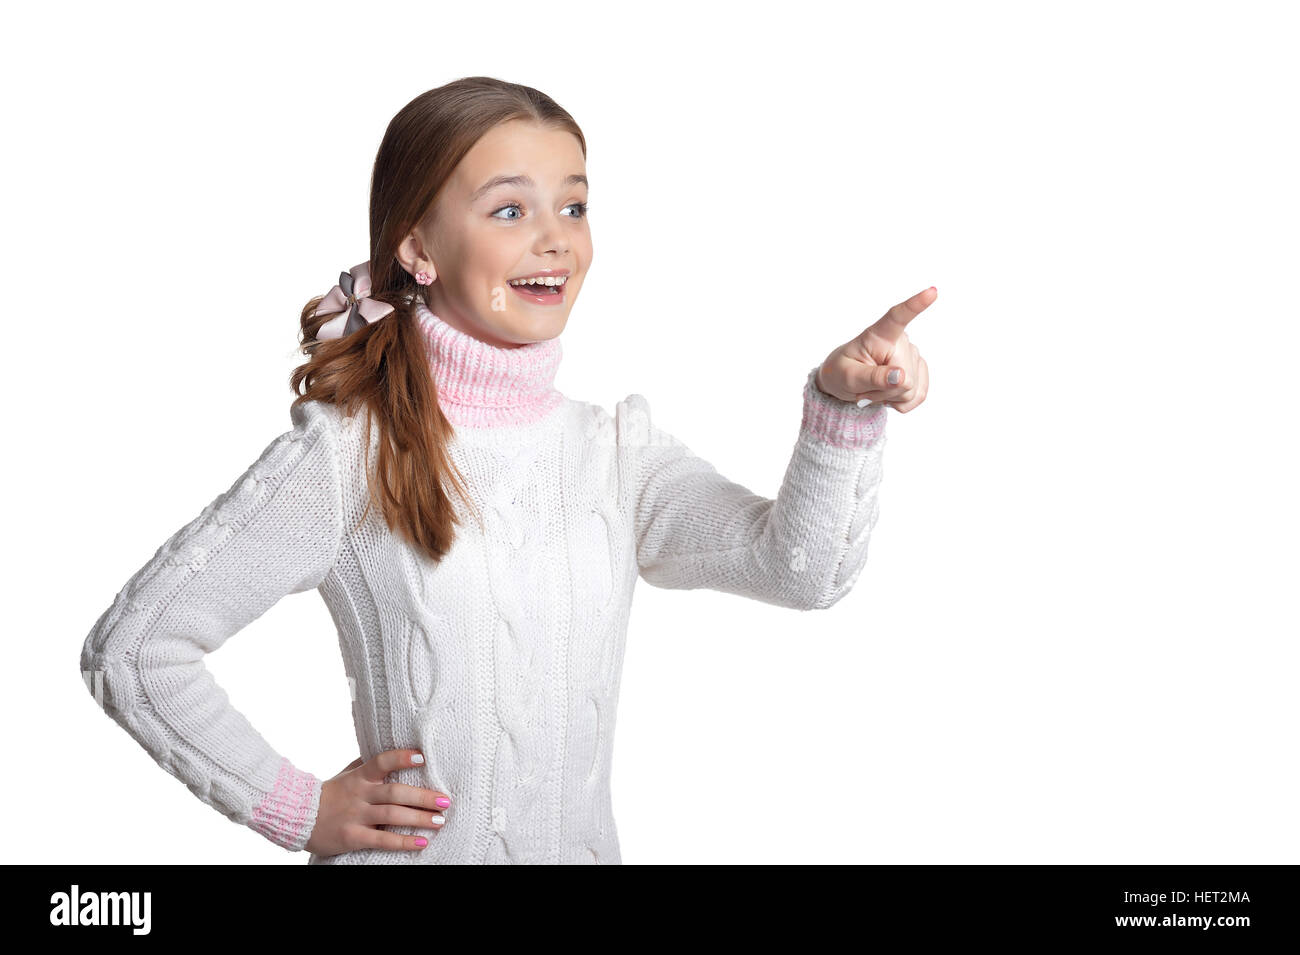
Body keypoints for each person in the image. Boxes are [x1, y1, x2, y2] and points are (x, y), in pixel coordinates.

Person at [79, 75, 932, 865]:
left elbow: (803, 572)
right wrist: (299, 808)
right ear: (418, 246)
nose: (556, 238)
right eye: (509, 210)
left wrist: (840, 409)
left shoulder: (615, 452)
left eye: (574, 203)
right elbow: (135, 649)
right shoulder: (349, 453)